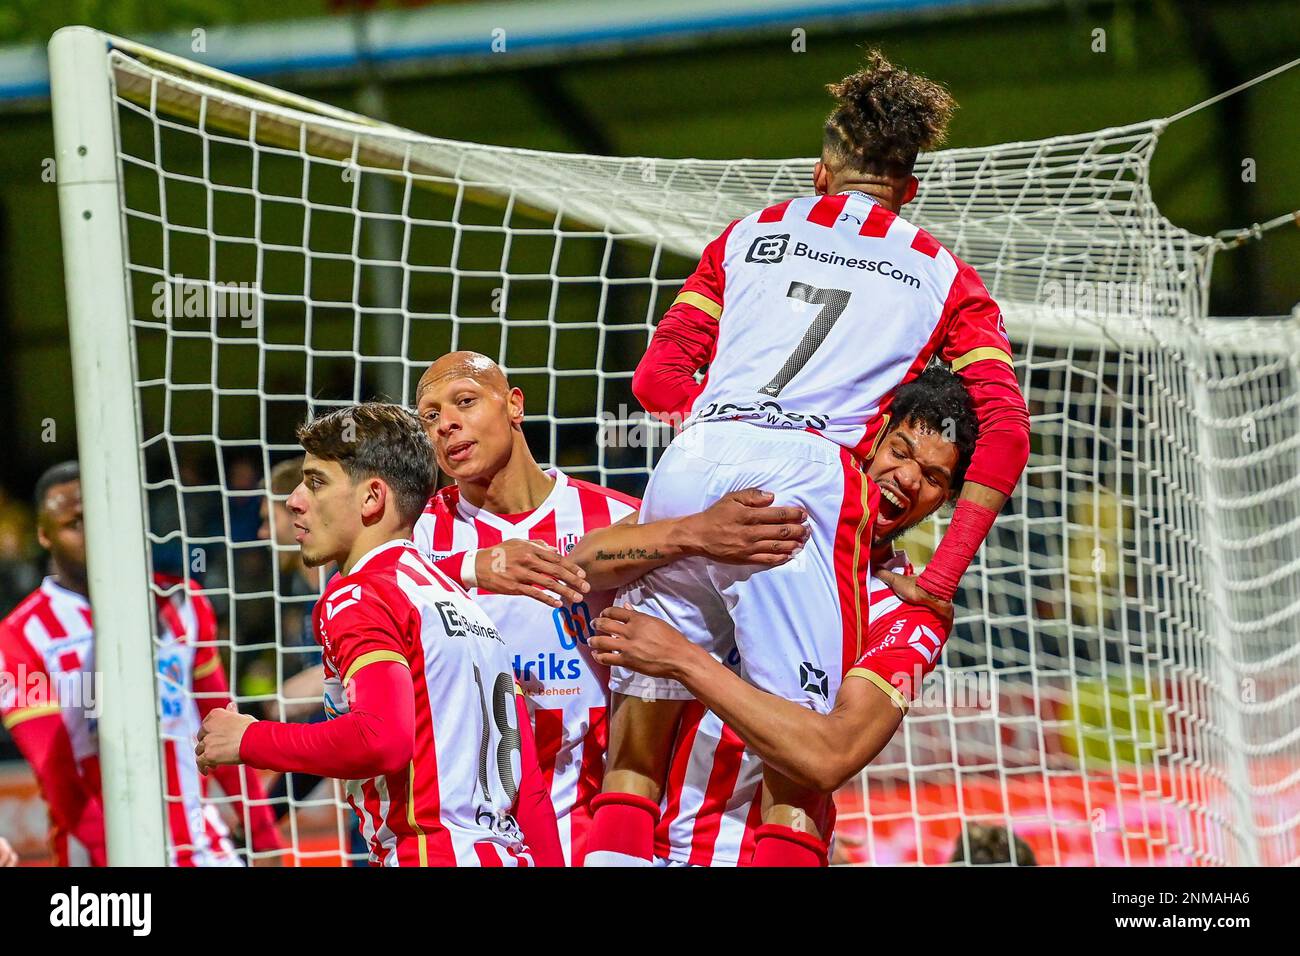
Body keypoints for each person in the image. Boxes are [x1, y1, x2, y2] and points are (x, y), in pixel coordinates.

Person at [589, 50, 1030, 867]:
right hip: (804, 483)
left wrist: (725, 426)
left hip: (695, 456)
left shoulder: (749, 232)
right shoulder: (943, 273)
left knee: (634, 756)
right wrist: (937, 584)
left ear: (821, 171)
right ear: (911, 191)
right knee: (801, 776)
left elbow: (654, 381)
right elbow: (1005, 434)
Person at [412, 351, 813, 863]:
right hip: (466, 821)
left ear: (514, 405)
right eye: (429, 415)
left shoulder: (619, 519)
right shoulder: (418, 539)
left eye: (464, 402)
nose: (446, 424)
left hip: (600, 816)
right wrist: (470, 567)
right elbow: (361, 601)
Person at [591, 367, 976, 864]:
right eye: (900, 452)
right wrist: (693, 535)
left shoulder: (910, 612)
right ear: (870, 437)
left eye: (932, 478)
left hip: (755, 851)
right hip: (638, 836)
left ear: (945, 500)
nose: (906, 478)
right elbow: (584, 563)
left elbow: (828, 758)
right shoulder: (760, 514)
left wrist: (684, 660)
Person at [195, 403, 564, 866]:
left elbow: (381, 739)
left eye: (315, 482)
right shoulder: (460, 602)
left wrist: (249, 739)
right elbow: (528, 790)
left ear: (371, 498)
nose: (293, 500)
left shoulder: (356, 595)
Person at [0, 461, 283, 866]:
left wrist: (263, 833)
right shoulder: (19, 636)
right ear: (44, 535)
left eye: (99, 514)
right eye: (74, 523)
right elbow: (57, 775)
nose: (92, 532)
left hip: (202, 850)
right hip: (99, 860)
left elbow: (220, 726)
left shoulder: (182, 603)